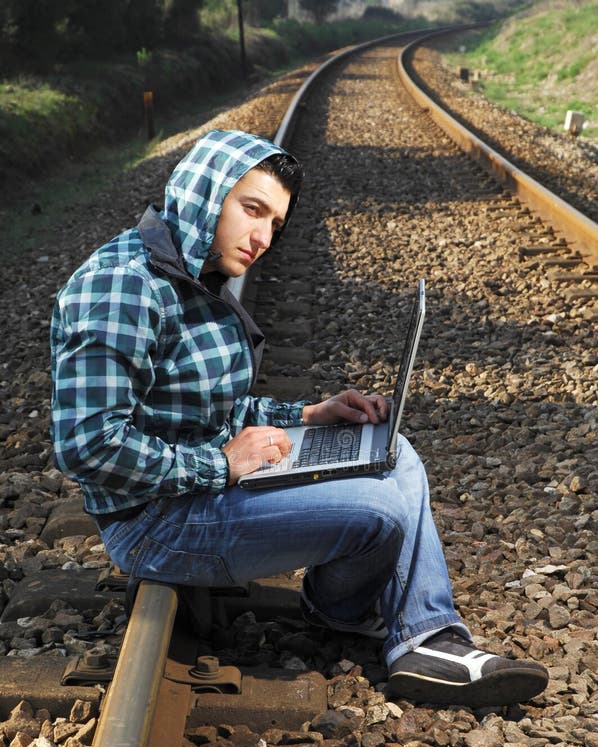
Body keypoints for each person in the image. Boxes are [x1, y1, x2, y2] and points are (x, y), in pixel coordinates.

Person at [50, 129, 548, 708]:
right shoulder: (123, 288)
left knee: (390, 449)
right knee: (380, 510)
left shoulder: (191, 275)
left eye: (275, 224)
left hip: (201, 489)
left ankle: (421, 634)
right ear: (205, 195)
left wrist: (310, 415)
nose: (262, 238)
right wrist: (220, 465)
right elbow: (86, 444)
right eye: (251, 210)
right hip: (156, 523)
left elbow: (203, 409)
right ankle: (381, 624)